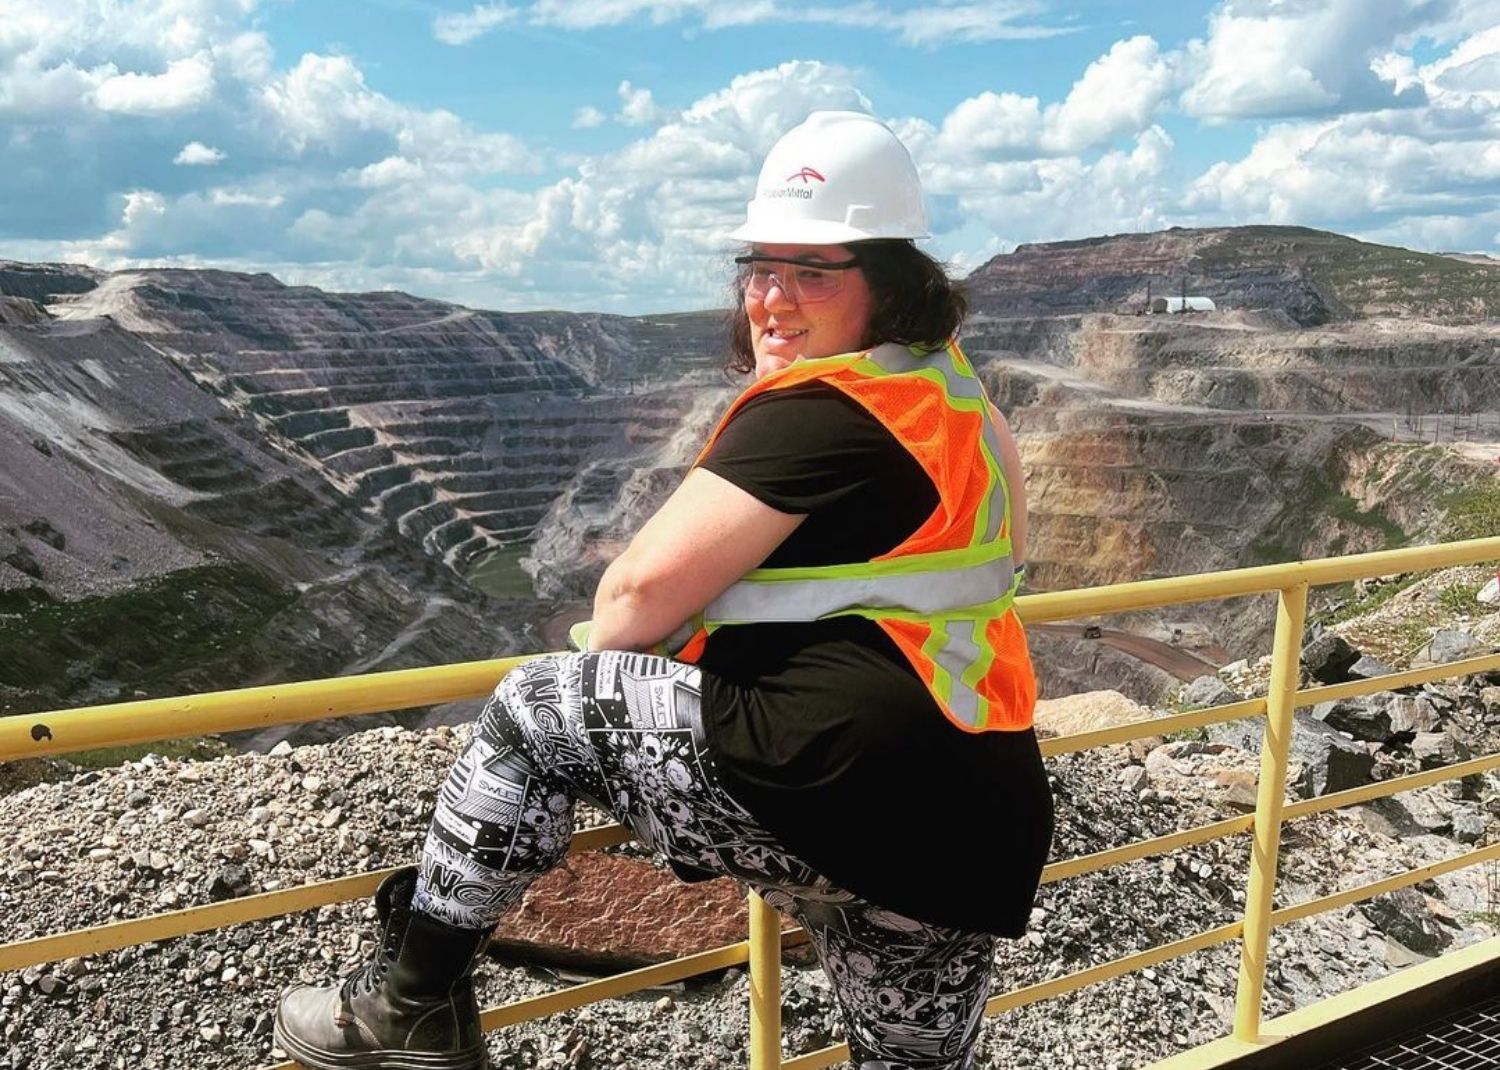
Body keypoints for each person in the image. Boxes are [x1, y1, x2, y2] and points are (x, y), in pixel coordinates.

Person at [274, 110, 1053, 1070]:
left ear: (886, 286)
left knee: (534, 709)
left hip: (834, 782)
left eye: (815, 272)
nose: (775, 298)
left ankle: (409, 1000)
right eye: (762, 269)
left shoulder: (822, 409)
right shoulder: (955, 396)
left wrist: (621, 741)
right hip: (970, 817)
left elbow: (627, 604)